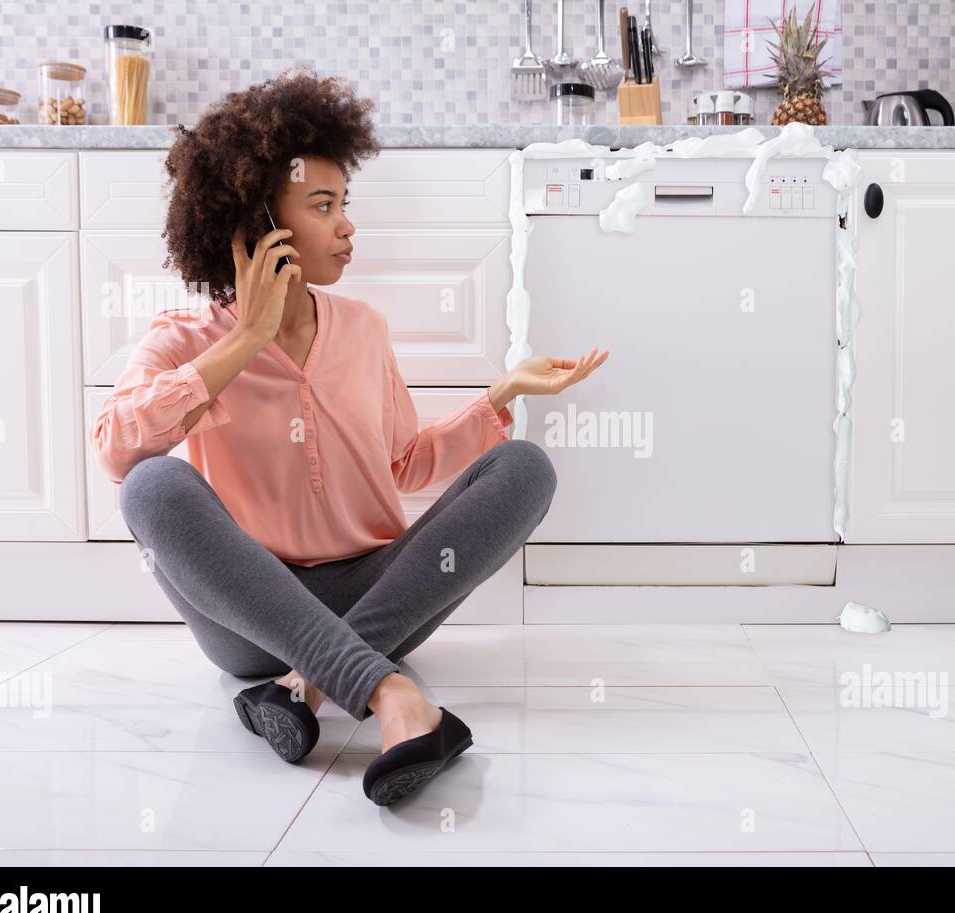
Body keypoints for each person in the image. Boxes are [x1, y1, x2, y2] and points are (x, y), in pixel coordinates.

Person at [88, 67, 608, 806]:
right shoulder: (186, 340)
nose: (346, 225)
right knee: (149, 484)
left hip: (378, 591)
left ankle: (306, 686)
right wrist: (246, 340)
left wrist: (503, 395)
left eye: (344, 204)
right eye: (323, 206)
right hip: (250, 617)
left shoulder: (363, 330)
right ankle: (390, 693)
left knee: (524, 467)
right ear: (258, 226)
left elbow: (407, 461)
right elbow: (113, 449)